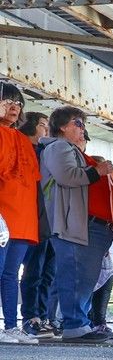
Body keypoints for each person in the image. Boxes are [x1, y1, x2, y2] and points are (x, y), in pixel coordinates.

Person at [39, 107, 113, 343]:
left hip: (87, 226)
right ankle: (75, 325)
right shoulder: (59, 147)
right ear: (62, 126)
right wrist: (98, 171)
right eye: (78, 123)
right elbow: (67, 176)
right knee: (75, 275)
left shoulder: (71, 150)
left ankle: (79, 322)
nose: (83, 129)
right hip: (74, 224)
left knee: (84, 277)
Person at [0, 84, 42, 344]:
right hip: (3, 216)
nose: (15, 106)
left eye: (18, 102)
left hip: (22, 219)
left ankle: (12, 327)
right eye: (8, 100)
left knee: (9, 273)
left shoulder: (23, 140)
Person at [17, 111, 59, 340]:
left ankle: (43, 317)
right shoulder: (26, 152)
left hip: (50, 220)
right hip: (33, 219)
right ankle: (30, 317)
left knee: (48, 272)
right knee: (34, 270)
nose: (46, 130)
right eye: (43, 125)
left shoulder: (47, 152)